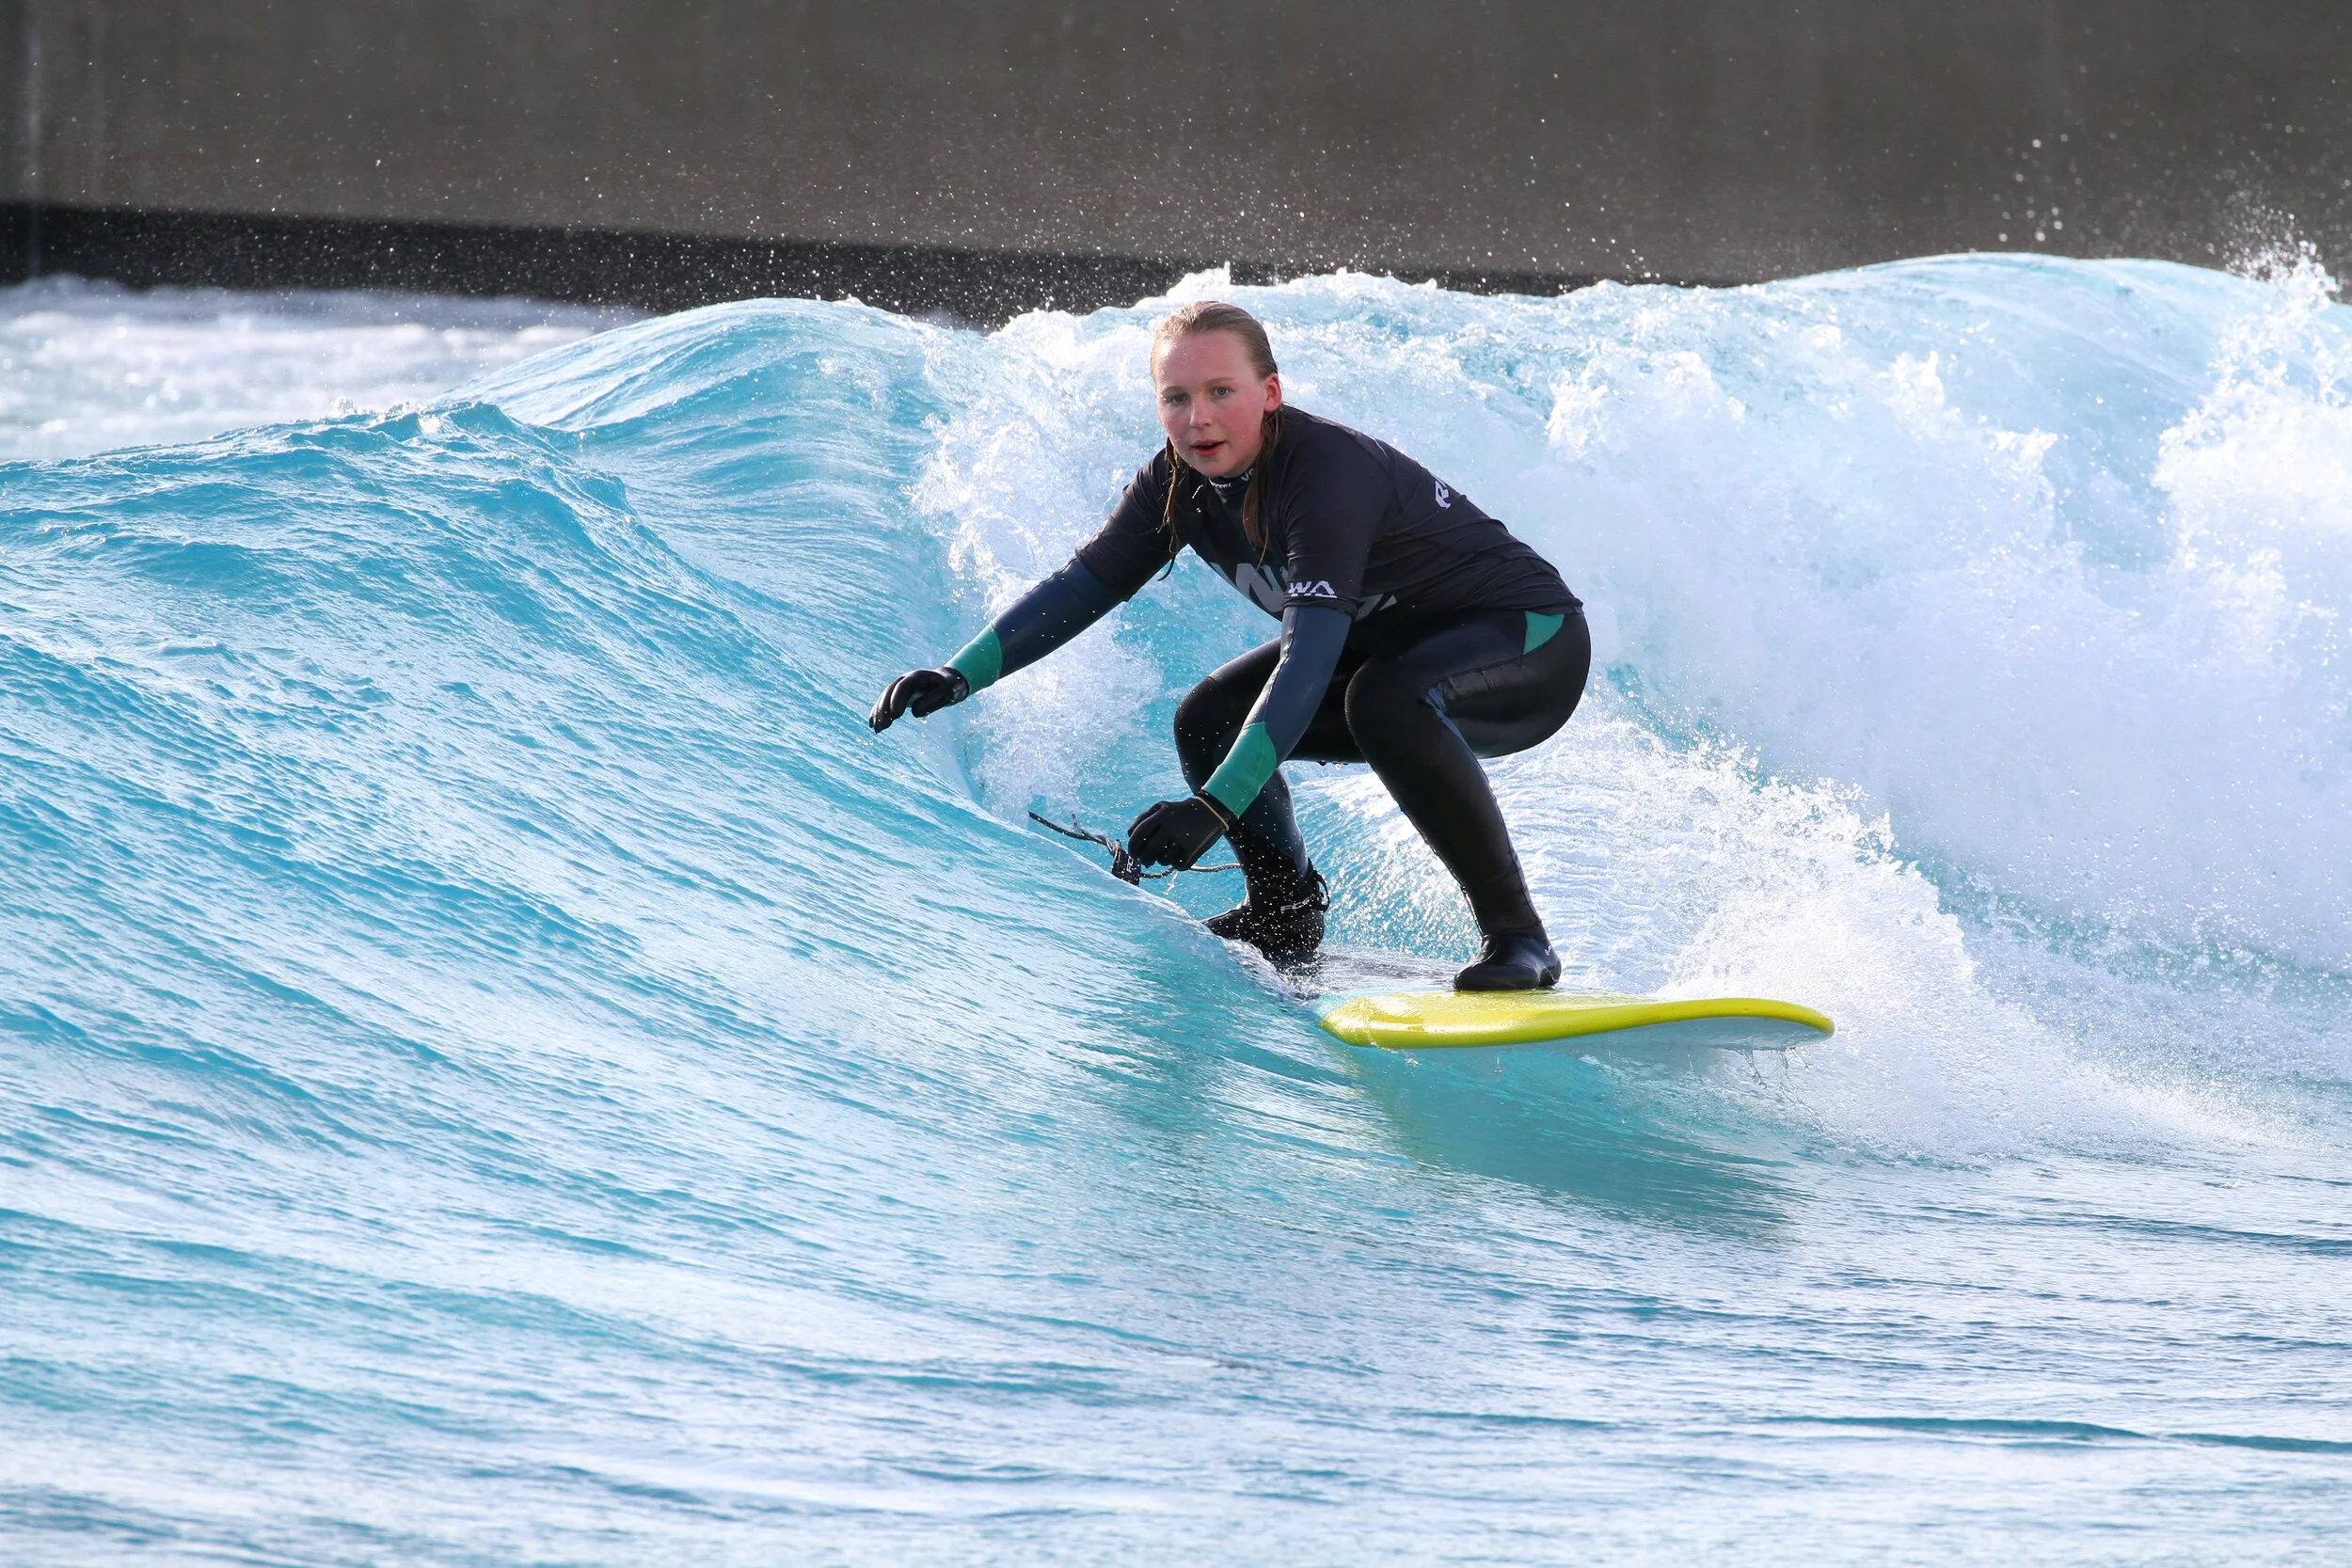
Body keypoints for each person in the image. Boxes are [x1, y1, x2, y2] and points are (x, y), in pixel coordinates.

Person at [869, 301, 1589, 990]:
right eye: (1176, 397)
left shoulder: (1325, 474)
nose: (1198, 417)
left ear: (1270, 391)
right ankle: (1285, 913)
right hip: (1391, 652)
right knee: (1208, 716)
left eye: (1221, 391)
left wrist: (1214, 809)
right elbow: (1081, 586)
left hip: (1529, 644)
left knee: (1386, 699)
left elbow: (1307, 655)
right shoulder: (1175, 483)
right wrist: (957, 674)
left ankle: (1520, 937)